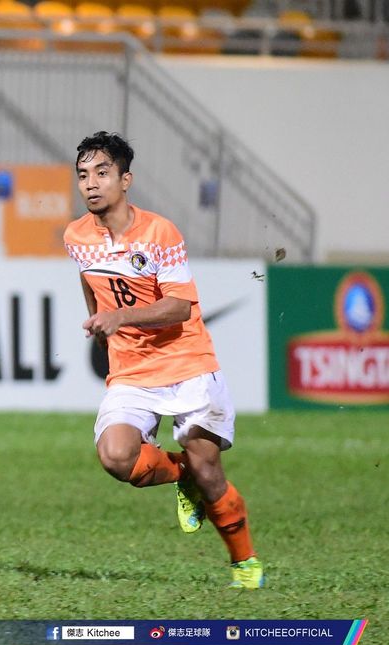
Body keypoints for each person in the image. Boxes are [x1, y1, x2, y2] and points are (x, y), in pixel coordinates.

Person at [63, 131, 264, 589]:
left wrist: (120, 316)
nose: (91, 184)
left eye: (102, 173)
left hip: (186, 361)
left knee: (210, 469)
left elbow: (179, 307)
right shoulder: (77, 235)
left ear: (125, 179)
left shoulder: (159, 232)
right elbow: (88, 279)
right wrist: (97, 321)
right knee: (116, 457)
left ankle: (245, 562)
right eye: (82, 175)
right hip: (131, 369)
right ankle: (182, 475)